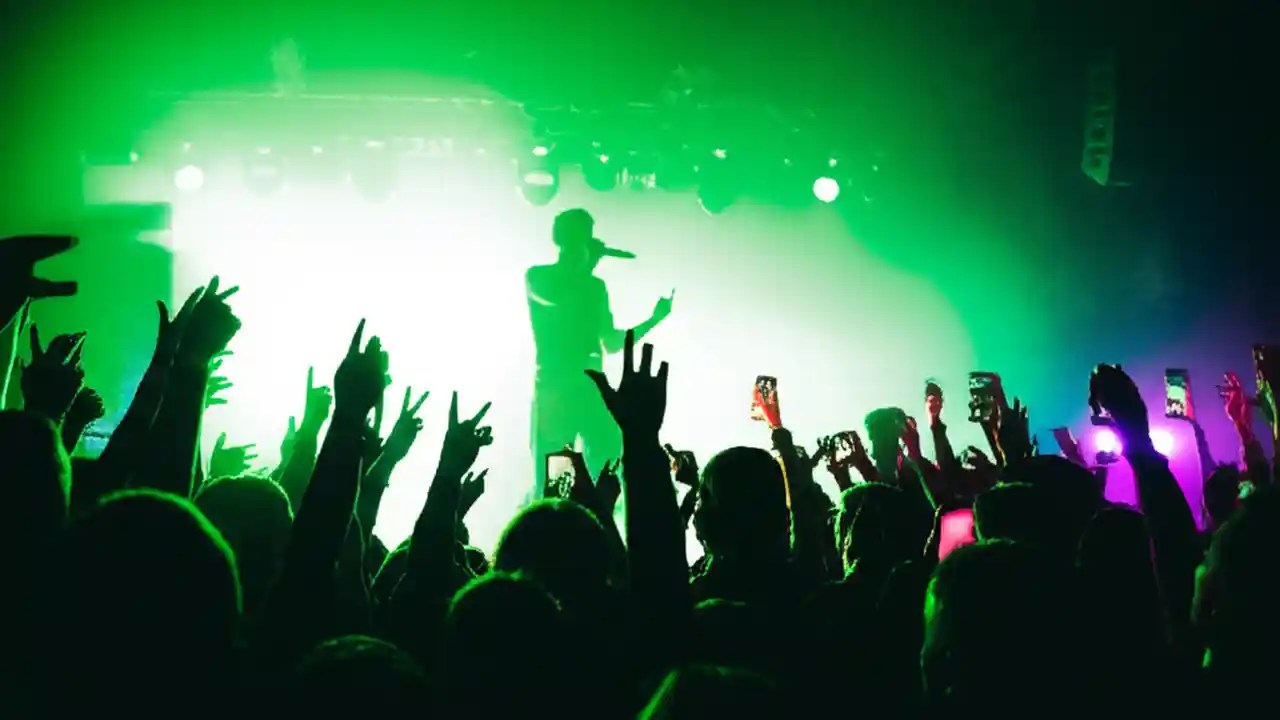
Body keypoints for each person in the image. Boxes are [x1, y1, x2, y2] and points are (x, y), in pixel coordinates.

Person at [525, 208, 673, 498]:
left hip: (590, 386)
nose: (585, 242)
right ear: (561, 237)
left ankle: (599, 525)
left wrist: (654, 320)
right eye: (578, 235)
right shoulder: (538, 277)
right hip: (555, 388)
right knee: (555, 474)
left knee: (605, 467)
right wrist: (586, 267)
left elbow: (612, 342)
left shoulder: (595, 287)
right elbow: (556, 302)